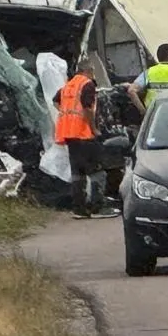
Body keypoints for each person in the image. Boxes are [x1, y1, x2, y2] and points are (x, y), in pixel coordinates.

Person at [52, 60, 112, 218]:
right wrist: (94, 128)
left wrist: (66, 114)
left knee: (77, 173)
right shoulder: (87, 84)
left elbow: (55, 101)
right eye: (92, 71)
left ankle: (79, 208)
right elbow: (87, 108)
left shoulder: (68, 85)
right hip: (84, 134)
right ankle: (98, 208)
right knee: (97, 171)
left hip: (69, 135)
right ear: (88, 70)